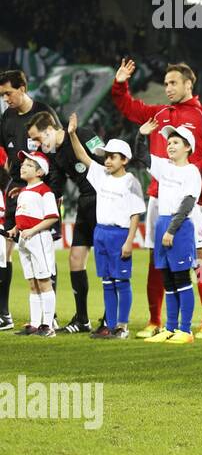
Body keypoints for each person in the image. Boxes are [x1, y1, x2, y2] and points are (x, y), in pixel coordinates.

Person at [111, 58, 202, 340]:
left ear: (189, 84)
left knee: (199, 258)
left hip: (191, 201)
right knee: (156, 257)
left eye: (173, 83)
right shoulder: (159, 113)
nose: (168, 88)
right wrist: (120, 83)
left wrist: (194, 170)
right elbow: (128, 106)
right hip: (158, 197)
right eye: (165, 83)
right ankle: (155, 320)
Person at [66, 115, 145, 339]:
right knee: (108, 282)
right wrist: (72, 134)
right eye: (106, 157)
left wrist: (129, 241)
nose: (107, 161)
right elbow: (82, 155)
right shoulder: (101, 175)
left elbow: (135, 214)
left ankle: (122, 326)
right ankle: (109, 325)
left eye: (112, 157)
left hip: (119, 235)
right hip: (100, 232)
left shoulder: (131, 181)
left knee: (121, 281)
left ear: (125, 159)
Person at [0, 68, 57, 331]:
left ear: (23, 88)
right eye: (2, 95)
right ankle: (23, 317)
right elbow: (8, 159)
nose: (6, 99)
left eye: (8, 93)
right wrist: (12, 187)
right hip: (18, 194)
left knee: (45, 256)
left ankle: (49, 318)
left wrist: (54, 193)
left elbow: (53, 154)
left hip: (43, 192)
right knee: (14, 252)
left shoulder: (44, 113)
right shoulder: (7, 118)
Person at [29, 111, 96, 333]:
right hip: (86, 203)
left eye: (38, 138)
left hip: (107, 201)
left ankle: (112, 319)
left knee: (111, 264)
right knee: (75, 259)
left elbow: (109, 159)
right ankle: (83, 319)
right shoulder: (54, 155)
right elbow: (55, 187)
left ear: (49, 130)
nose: (37, 144)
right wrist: (31, 194)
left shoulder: (84, 134)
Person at [139, 120, 202, 344]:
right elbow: (141, 156)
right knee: (167, 280)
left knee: (181, 279)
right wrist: (141, 135)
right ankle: (170, 327)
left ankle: (185, 330)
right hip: (162, 224)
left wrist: (171, 230)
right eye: (169, 142)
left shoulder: (192, 171)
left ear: (188, 147)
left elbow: (188, 203)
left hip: (180, 226)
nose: (170, 145)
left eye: (176, 142)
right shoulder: (163, 166)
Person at [8, 150, 59, 336]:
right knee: (32, 282)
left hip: (38, 238)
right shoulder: (23, 191)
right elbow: (23, 214)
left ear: (39, 172)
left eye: (29, 165)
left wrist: (32, 230)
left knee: (44, 281)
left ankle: (48, 325)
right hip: (24, 238)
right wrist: (15, 228)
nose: (23, 166)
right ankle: (35, 324)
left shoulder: (45, 191)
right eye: (23, 164)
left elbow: (52, 217)